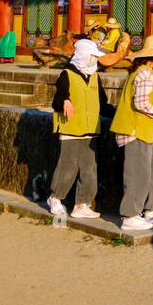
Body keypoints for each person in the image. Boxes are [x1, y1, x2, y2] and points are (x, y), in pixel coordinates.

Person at [110, 34, 153, 231]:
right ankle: (130, 215)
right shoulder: (145, 74)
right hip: (136, 130)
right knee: (138, 173)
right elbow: (141, 103)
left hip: (145, 130)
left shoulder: (138, 71)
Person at [47, 38, 111, 220]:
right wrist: (65, 101)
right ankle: (56, 197)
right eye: (92, 56)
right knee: (68, 166)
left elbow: (103, 103)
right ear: (83, 56)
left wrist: (118, 114)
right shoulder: (67, 74)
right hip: (71, 127)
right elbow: (58, 99)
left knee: (89, 168)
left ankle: (82, 204)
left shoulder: (95, 76)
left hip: (91, 128)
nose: (95, 60)